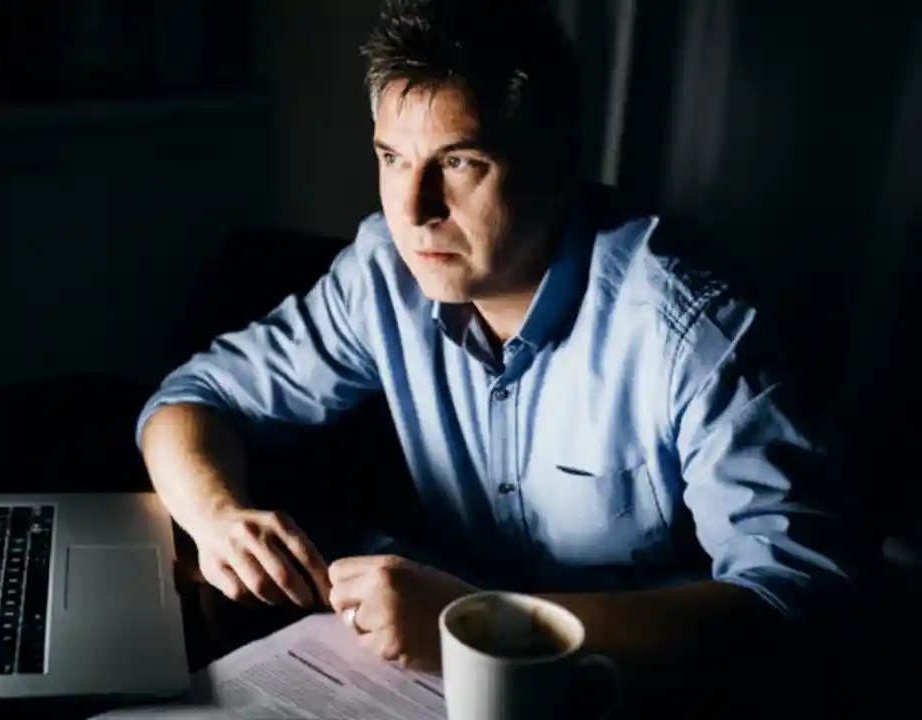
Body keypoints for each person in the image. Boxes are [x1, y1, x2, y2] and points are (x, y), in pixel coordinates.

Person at [134, 0, 862, 687]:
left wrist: (490, 627)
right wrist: (216, 516)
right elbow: (193, 399)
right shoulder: (384, 273)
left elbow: (799, 595)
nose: (413, 211)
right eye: (392, 157)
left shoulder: (691, 329)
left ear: (557, 164)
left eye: (460, 163)